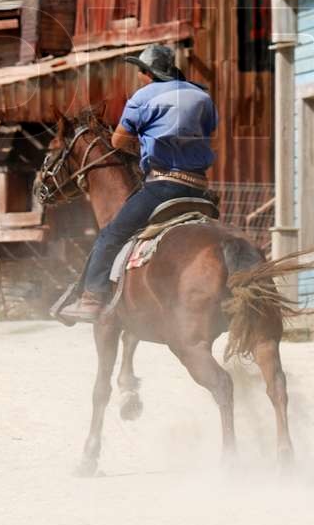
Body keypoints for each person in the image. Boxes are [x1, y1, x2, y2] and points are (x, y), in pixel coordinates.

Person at [57, 43, 218, 324]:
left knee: (111, 234)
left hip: (163, 186)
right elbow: (207, 130)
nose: (139, 77)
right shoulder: (202, 97)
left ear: (148, 73)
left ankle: (92, 298)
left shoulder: (143, 97)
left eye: (140, 71)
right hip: (200, 189)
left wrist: (143, 144)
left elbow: (118, 140)